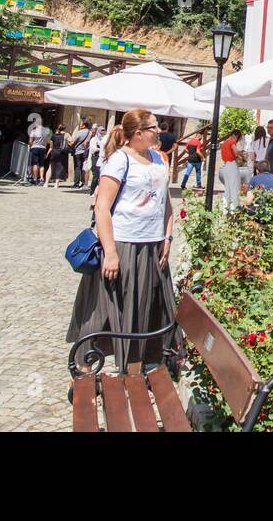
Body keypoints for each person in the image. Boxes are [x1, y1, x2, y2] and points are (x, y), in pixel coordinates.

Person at [66, 108, 179, 373]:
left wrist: (168, 235)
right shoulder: (119, 160)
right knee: (117, 303)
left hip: (153, 243)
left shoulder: (160, 159)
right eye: (153, 128)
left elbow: (166, 203)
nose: (159, 131)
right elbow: (102, 208)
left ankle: (144, 361)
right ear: (138, 133)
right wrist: (111, 251)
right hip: (125, 241)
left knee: (148, 304)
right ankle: (109, 362)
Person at [219, 128, 244, 209]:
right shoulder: (231, 141)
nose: (237, 140)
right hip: (232, 164)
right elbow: (236, 152)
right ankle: (234, 208)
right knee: (235, 186)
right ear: (235, 136)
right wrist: (242, 155)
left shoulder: (224, 143)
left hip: (226, 165)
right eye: (238, 138)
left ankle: (225, 208)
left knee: (228, 188)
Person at [69, 119, 91, 189]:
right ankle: (83, 182)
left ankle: (76, 183)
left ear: (84, 125)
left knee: (77, 167)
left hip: (78, 151)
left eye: (81, 124)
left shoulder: (79, 132)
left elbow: (73, 142)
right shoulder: (90, 133)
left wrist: (69, 143)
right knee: (84, 167)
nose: (80, 125)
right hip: (86, 152)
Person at [27, 117, 50, 185]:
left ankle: (35, 178)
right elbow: (48, 140)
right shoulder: (46, 131)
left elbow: (30, 141)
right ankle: (42, 178)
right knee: (42, 164)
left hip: (35, 147)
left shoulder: (33, 131)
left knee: (34, 163)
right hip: (43, 148)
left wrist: (30, 146)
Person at [46, 123, 69, 188]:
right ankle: (56, 184)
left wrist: (47, 154)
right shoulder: (66, 135)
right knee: (59, 167)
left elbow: (51, 147)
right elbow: (72, 141)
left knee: (50, 167)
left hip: (54, 152)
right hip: (61, 153)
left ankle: (46, 183)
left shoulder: (53, 135)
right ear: (64, 128)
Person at [87, 124, 107, 194]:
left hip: (102, 158)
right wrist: (101, 148)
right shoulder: (94, 139)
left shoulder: (104, 139)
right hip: (95, 157)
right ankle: (92, 191)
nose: (103, 132)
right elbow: (93, 149)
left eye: (104, 131)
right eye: (101, 131)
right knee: (95, 175)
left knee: (100, 175)